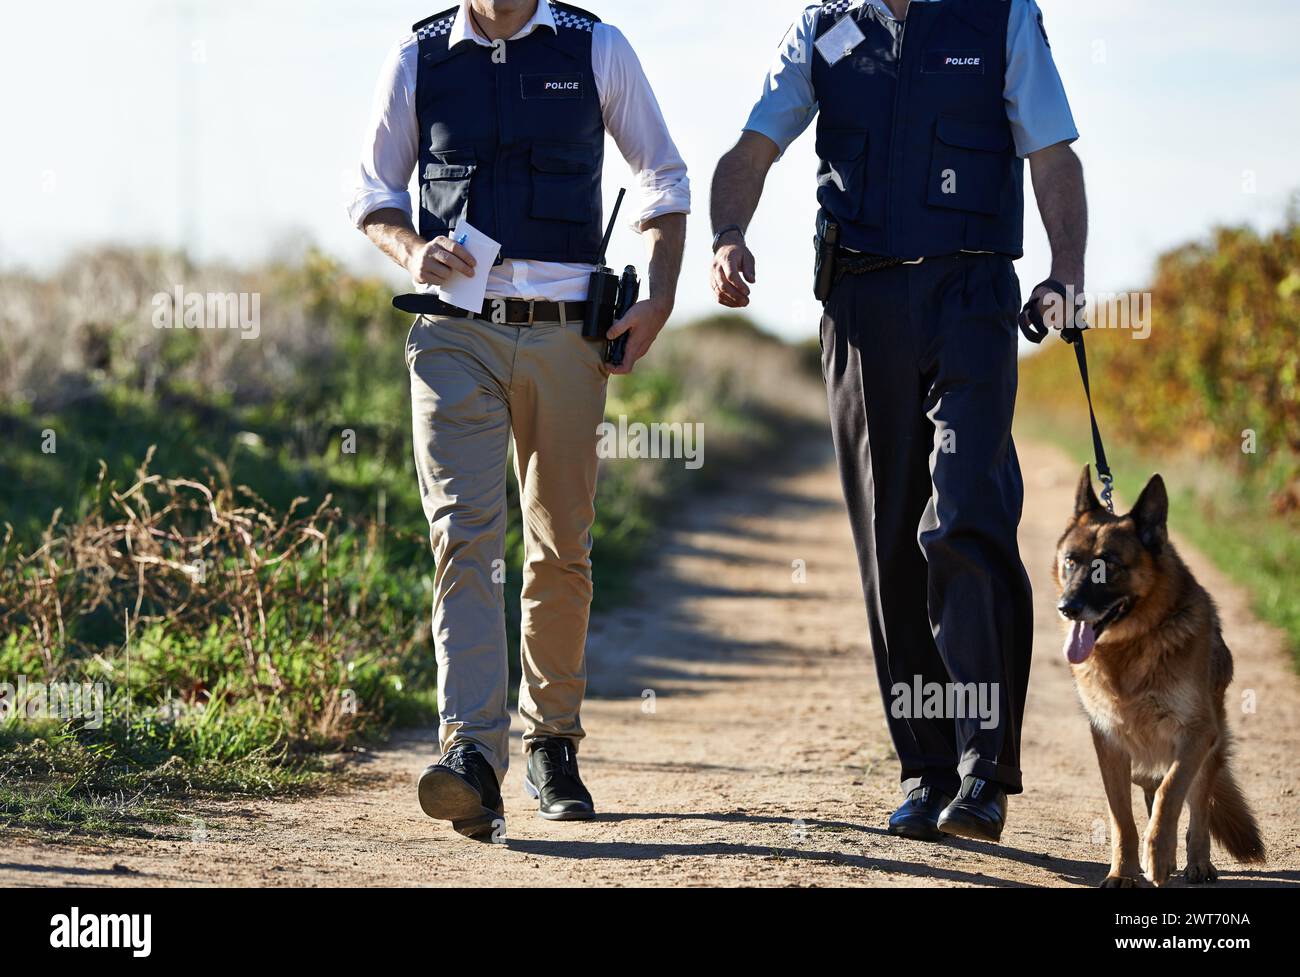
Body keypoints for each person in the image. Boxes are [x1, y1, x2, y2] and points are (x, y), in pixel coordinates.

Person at [709, 0, 1085, 843]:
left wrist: (1068, 270)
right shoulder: (821, 28)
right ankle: (924, 769)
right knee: (890, 540)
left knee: (964, 517)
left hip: (971, 297)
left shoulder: (1000, 18)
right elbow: (753, 147)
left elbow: (1053, 153)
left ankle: (985, 766)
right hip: (860, 302)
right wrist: (728, 234)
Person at [349, 0, 688, 841]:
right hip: (451, 335)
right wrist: (410, 249)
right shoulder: (419, 56)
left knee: (559, 541)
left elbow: (664, 179)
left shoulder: (596, 47)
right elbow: (374, 194)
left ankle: (552, 743)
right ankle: (470, 755)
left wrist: (660, 295)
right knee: (464, 534)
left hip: (566, 338)